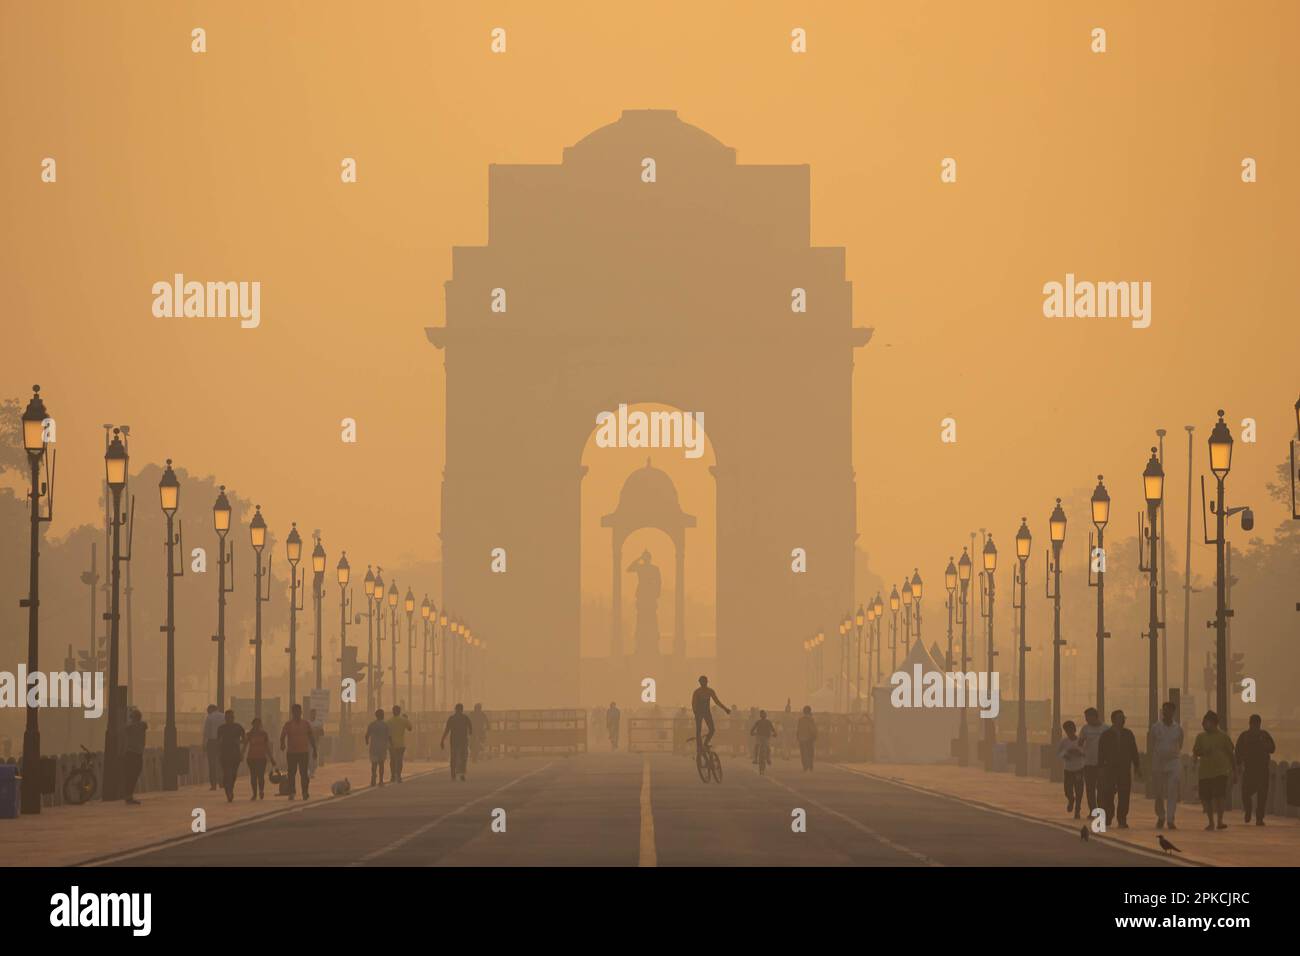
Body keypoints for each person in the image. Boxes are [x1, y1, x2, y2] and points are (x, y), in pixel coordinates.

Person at [1192, 710, 1234, 831]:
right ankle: (1211, 822)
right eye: (1203, 722)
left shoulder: (1223, 737)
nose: (1203, 724)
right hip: (1205, 773)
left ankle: (1220, 821)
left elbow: (1231, 754)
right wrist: (1200, 754)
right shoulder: (1200, 737)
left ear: (1214, 723)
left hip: (1220, 772)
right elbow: (1196, 751)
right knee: (1206, 798)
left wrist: (1234, 771)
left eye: (1206, 722)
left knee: (1219, 797)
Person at [1098, 709, 1141, 827]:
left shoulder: (1128, 734)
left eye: (1123, 718)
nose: (1123, 720)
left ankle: (1122, 819)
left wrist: (1137, 765)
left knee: (1124, 795)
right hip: (1110, 769)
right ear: (1114, 720)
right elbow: (1101, 753)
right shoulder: (1106, 735)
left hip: (1124, 769)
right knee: (1108, 795)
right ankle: (1108, 817)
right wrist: (1101, 768)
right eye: (1120, 718)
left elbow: (1134, 750)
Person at [1235, 714, 1276, 826]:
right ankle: (1248, 810)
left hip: (1262, 769)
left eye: (1256, 723)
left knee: (1262, 795)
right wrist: (1238, 764)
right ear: (1250, 724)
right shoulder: (1245, 736)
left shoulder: (1264, 735)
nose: (1255, 726)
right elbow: (1238, 751)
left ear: (1259, 724)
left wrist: (1264, 743)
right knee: (1245, 793)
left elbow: (1272, 748)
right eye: (1253, 723)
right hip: (1249, 769)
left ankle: (1259, 818)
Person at [1150, 701, 1185, 830]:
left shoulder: (1178, 729)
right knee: (1159, 793)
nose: (1166, 713)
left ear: (1173, 712)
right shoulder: (1156, 727)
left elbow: (1180, 744)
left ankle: (1170, 819)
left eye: (1169, 710)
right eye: (1164, 710)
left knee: (1172, 791)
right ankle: (1161, 816)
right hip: (1158, 762)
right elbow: (1152, 744)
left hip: (1173, 762)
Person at [280, 703, 317, 800]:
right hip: (291, 753)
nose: (297, 714)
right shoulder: (288, 724)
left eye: (298, 712)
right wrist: (282, 744)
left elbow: (311, 737)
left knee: (304, 773)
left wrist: (314, 749)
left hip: (303, 752)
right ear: (292, 713)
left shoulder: (306, 724)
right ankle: (292, 792)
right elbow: (283, 735)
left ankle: (305, 792)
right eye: (295, 712)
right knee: (291, 773)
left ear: (301, 712)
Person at [1078, 707, 1108, 815]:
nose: (1086, 720)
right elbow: (1080, 743)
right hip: (1088, 763)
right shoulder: (1085, 729)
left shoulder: (1105, 728)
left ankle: (1100, 809)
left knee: (1101, 789)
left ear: (1094, 716)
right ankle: (1093, 810)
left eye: (1087, 717)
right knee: (1090, 789)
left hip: (1101, 764)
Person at [691, 676, 731, 753]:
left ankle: (705, 743)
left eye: (704, 681)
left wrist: (725, 709)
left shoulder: (710, 691)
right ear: (699, 682)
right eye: (701, 682)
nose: (703, 683)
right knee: (698, 730)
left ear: (706, 682)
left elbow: (717, 702)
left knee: (712, 730)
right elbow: (694, 704)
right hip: (699, 713)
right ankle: (699, 747)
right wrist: (695, 713)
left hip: (706, 712)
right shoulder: (697, 692)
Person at [1056, 720, 1086, 818]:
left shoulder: (1080, 741)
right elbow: (1058, 753)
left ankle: (1077, 809)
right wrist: (1065, 755)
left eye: (1071, 729)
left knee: (1079, 790)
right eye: (1067, 730)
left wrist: (1079, 753)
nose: (1069, 732)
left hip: (1079, 768)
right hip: (1068, 769)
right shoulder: (1063, 741)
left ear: (1074, 729)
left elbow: (1086, 753)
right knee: (1067, 789)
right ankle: (1071, 799)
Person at [215, 709, 245, 803]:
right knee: (226, 774)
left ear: (233, 718)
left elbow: (245, 740)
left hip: (235, 754)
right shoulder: (221, 728)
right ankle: (228, 792)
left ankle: (230, 789)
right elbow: (218, 742)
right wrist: (218, 753)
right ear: (225, 718)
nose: (230, 719)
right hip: (224, 754)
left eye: (231, 717)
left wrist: (241, 749)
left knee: (233, 774)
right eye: (228, 717)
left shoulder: (238, 727)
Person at [121, 708, 148, 806]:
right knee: (133, 775)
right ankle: (128, 796)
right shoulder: (142, 725)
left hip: (130, 754)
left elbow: (125, 727)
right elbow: (144, 725)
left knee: (130, 775)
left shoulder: (131, 727)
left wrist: (129, 715)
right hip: (136, 754)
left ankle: (128, 795)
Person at [243, 717, 273, 800]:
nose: (257, 726)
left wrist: (271, 758)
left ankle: (261, 790)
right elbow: (245, 745)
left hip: (262, 758)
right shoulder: (249, 734)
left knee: (260, 776)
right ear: (253, 725)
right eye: (255, 724)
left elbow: (267, 747)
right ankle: (254, 793)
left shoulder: (264, 734)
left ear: (260, 725)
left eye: (258, 724)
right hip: (251, 758)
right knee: (253, 776)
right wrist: (241, 755)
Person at [441, 703, 473, 781]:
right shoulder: (465, 718)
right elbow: (471, 729)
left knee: (453, 757)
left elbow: (447, 730)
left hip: (454, 741)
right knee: (463, 758)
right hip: (463, 741)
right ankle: (462, 774)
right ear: (462, 710)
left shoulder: (451, 718)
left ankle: (453, 774)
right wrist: (470, 735)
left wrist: (442, 740)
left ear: (455, 709)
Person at [387, 705, 413, 783]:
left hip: (392, 744)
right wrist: (406, 719)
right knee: (399, 760)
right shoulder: (403, 720)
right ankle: (399, 776)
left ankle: (392, 776)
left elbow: (388, 734)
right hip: (401, 744)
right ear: (399, 711)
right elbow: (410, 729)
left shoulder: (389, 721)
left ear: (392, 711)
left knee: (392, 760)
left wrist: (390, 743)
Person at [365, 708, 390, 786]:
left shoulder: (372, 724)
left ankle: (373, 779)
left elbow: (367, 735)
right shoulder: (385, 725)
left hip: (374, 747)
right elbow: (388, 736)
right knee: (381, 764)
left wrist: (367, 742)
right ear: (382, 716)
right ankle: (381, 781)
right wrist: (390, 744)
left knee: (374, 764)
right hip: (382, 747)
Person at [202, 703, 223, 791]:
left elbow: (206, 733)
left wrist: (203, 744)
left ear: (210, 710)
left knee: (212, 764)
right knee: (221, 763)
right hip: (222, 742)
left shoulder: (209, 717)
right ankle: (222, 783)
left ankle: (213, 785)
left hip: (212, 742)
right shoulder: (224, 716)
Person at [796, 705, 818, 771]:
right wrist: (815, 736)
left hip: (802, 738)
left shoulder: (800, 720)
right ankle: (810, 765)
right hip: (809, 738)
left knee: (803, 753)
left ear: (803, 711)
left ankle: (805, 766)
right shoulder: (811, 719)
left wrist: (797, 736)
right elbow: (813, 729)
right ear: (810, 711)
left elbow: (798, 729)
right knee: (810, 752)